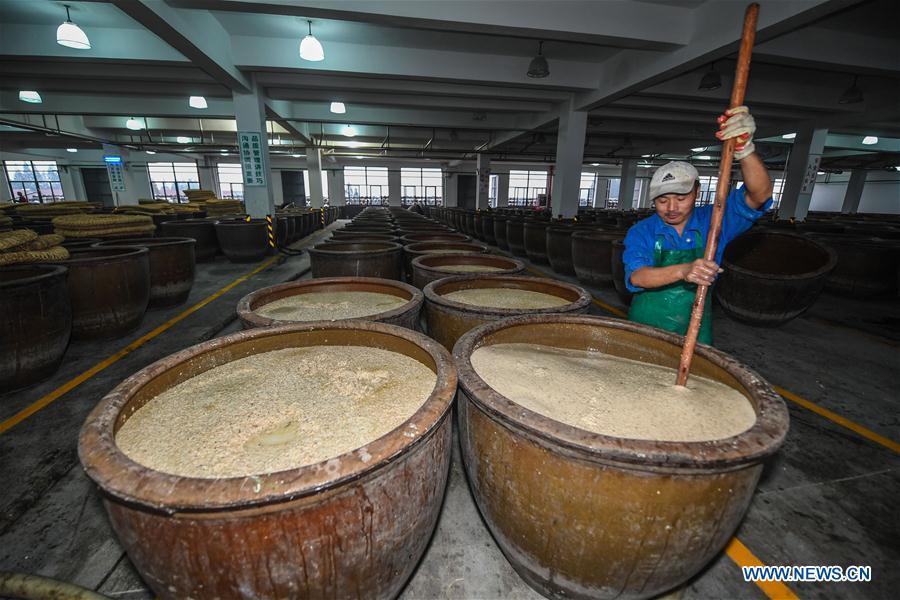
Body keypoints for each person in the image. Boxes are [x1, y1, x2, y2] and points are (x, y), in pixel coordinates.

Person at [623, 106, 773, 345]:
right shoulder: (642, 231)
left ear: (697, 192)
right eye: (662, 200)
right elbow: (638, 277)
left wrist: (745, 150)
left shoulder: (714, 221)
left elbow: (759, 195)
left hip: (695, 327)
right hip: (646, 325)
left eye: (681, 198)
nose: (671, 207)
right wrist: (684, 270)